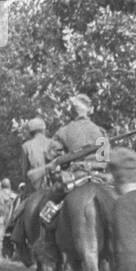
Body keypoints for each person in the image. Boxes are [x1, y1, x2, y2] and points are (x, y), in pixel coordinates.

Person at [38, 94, 110, 225]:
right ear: (89, 110)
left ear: (71, 111)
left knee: (46, 212)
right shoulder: (101, 131)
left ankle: (49, 242)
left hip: (76, 176)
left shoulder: (64, 131)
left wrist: (62, 161)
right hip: (101, 177)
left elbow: (50, 156)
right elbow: (105, 157)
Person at [7, 117, 51, 263]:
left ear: (30, 132)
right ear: (43, 129)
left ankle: (19, 246)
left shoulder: (26, 146)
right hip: (54, 186)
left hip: (35, 187)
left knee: (19, 212)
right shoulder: (53, 143)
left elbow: (24, 171)